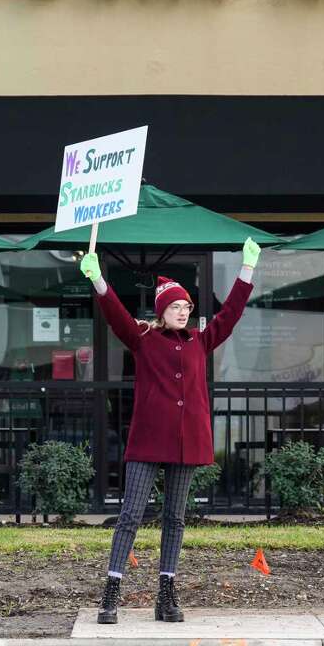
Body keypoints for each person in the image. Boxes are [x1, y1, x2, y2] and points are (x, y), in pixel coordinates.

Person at [82, 238, 260, 625]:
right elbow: (116, 315)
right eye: (176, 307)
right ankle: (110, 595)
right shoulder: (143, 339)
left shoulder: (200, 340)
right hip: (149, 441)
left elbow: (230, 314)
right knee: (130, 515)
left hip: (185, 443)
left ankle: (166, 595)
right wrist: (98, 280)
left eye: (187, 307)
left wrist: (247, 270)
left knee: (175, 519)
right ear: (162, 311)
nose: (183, 312)